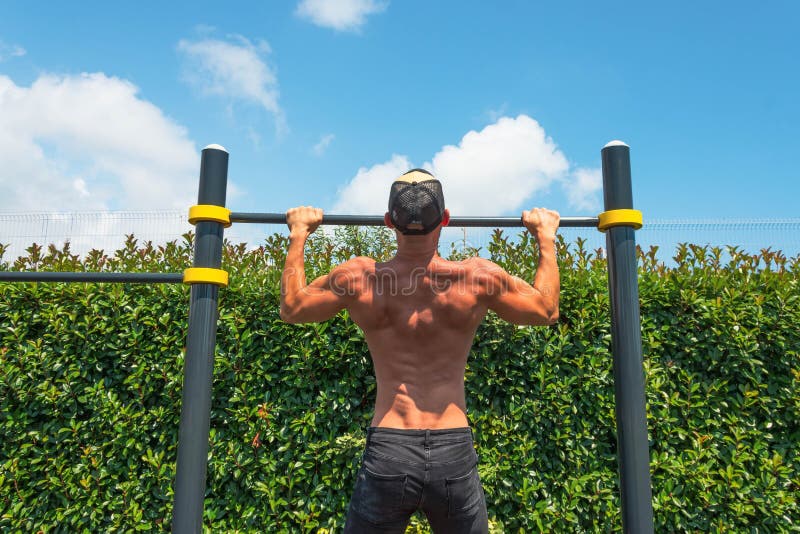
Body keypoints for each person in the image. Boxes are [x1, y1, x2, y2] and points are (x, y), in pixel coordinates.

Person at [280, 169, 560, 533]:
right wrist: (545, 238)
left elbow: (292, 307)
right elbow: (546, 310)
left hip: (390, 447)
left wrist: (299, 234)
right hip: (452, 450)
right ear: (445, 219)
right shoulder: (476, 277)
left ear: (387, 221)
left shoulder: (359, 277)